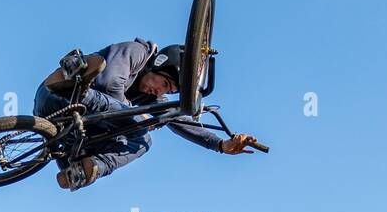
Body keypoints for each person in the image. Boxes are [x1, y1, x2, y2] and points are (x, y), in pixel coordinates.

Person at [33, 39, 258, 190]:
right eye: (164, 83)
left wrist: (221, 145)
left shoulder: (153, 100)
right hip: (57, 98)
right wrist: (137, 116)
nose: (159, 92)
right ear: (160, 65)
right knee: (130, 110)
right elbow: (110, 82)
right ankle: (72, 78)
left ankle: (82, 171)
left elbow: (180, 119)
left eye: (167, 91)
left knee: (143, 141)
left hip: (68, 136)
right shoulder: (137, 52)